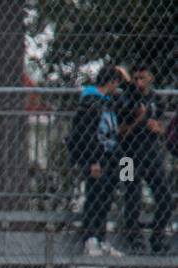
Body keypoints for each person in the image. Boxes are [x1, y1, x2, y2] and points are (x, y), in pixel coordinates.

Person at [67, 64, 127, 257]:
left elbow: (130, 97)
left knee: (105, 198)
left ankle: (100, 239)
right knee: (95, 196)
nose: (117, 88)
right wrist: (93, 161)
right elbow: (87, 135)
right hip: (96, 157)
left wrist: (125, 77)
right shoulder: (91, 102)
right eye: (116, 83)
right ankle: (90, 239)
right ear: (110, 83)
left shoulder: (108, 102)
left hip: (109, 156)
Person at [117, 66, 172, 254]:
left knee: (164, 197)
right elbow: (119, 129)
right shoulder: (125, 98)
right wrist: (137, 120)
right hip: (128, 155)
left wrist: (159, 128)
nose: (140, 81)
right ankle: (134, 236)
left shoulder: (156, 99)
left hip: (152, 154)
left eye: (143, 77)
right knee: (131, 195)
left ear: (151, 77)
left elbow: (162, 125)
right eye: (136, 78)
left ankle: (158, 235)